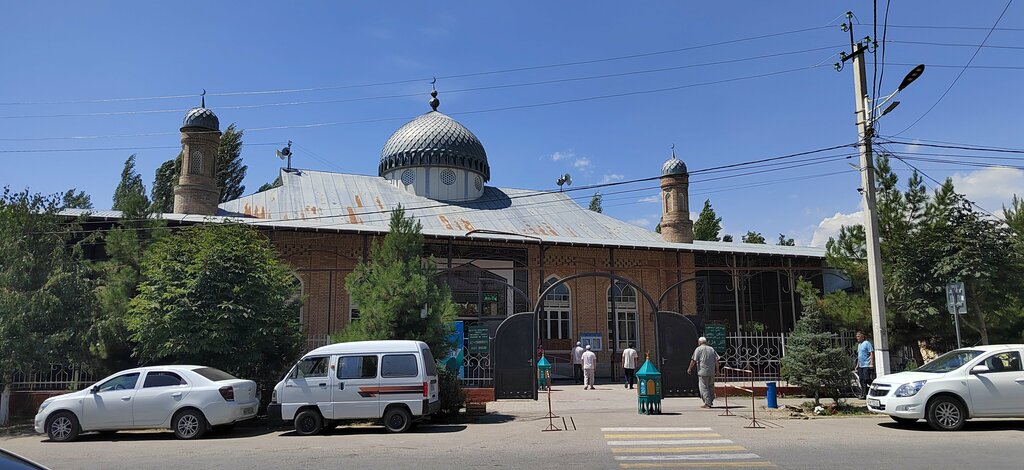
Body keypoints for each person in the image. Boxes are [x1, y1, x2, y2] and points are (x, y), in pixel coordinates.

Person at [687, 337, 720, 408]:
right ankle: (710, 401)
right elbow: (717, 361)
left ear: (699, 342)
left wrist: (689, 368)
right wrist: (717, 370)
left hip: (702, 372)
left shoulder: (698, 349)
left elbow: (693, 360)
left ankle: (707, 403)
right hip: (711, 371)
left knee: (704, 387)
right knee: (711, 386)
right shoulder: (711, 349)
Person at [855, 331, 874, 399]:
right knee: (862, 380)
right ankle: (864, 395)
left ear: (862, 337)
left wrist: (872, 363)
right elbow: (859, 356)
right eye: (857, 336)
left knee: (867, 379)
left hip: (867, 364)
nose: (857, 338)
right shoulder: (859, 345)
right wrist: (857, 364)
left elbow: (871, 353)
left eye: (858, 336)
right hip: (861, 365)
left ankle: (875, 386)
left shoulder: (867, 343)